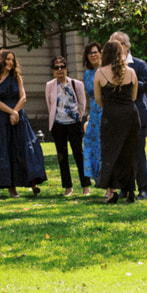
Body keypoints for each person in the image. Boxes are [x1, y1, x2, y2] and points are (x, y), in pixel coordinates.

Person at [0, 49, 47, 198]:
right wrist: (12, 112)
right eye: (8, 59)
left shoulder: (17, 77)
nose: (11, 62)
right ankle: (11, 187)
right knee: (7, 150)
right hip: (3, 118)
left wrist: (16, 112)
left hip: (19, 117)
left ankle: (33, 182)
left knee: (25, 148)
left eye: (12, 60)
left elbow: (23, 97)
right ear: (1, 61)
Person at [95, 38, 140, 205]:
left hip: (111, 117)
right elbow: (133, 97)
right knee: (130, 154)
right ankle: (130, 191)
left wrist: (110, 108)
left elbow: (98, 99)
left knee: (110, 153)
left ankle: (112, 192)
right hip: (130, 116)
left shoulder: (100, 73)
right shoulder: (131, 72)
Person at [110, 31, 147, 198]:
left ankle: (144, 189)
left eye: (119, 43)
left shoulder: (139, 64)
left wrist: (128, 79)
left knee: (138, 153)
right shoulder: (109, 67)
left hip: (138, 114)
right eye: (113, 44)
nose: (116, 47)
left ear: (126, 46)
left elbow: (145, 86)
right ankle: (126, 189)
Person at [45, 55, 89, 199]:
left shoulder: (77, 84)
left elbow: (82, 104)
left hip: (74, 123)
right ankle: (68, 187)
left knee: (79, 154)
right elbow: (50, 105)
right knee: (62, 156)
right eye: (56, 67)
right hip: (58, 124)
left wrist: (77, 118)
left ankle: (85, 186)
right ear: (53, 70)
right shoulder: (49, 85)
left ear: (67, 68)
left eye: (62, 66)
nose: (60, 70)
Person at [82, 42, 104, 187]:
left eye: (95, 52)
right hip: (94, 114)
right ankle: (99, 178)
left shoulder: (107, 71)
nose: (93, 55)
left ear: (101, 53)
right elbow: (91, 97)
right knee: (92, 145)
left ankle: (109, 183)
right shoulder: (87, 74)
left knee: (105, 146)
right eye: (90, 53)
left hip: (106, 111)